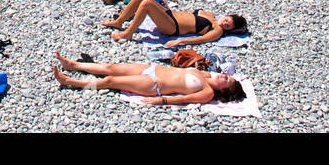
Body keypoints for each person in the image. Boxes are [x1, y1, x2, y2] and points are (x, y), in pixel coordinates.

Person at [52, 53, 245, 104]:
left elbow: (183, 99)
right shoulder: (204, 74)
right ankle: (73, 65)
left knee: (110, 81)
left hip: (153, 85)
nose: (224, 77)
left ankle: (71, 82)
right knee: (110, 67)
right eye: (227, 77)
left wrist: (159, 100)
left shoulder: (207, 92)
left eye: (227, 81)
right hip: (151, 69)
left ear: (223, 90)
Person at [103, 0, 248, 45]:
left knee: (146, 4)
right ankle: (119, 22)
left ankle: (128, 33)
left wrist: (181, 41)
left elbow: (201, 40)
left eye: (228, 26)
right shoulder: (211, 15)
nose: (225, 23)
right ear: (227, 15)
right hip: (171, 14)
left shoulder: (217, 30)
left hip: (173, 27)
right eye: (227, 20)